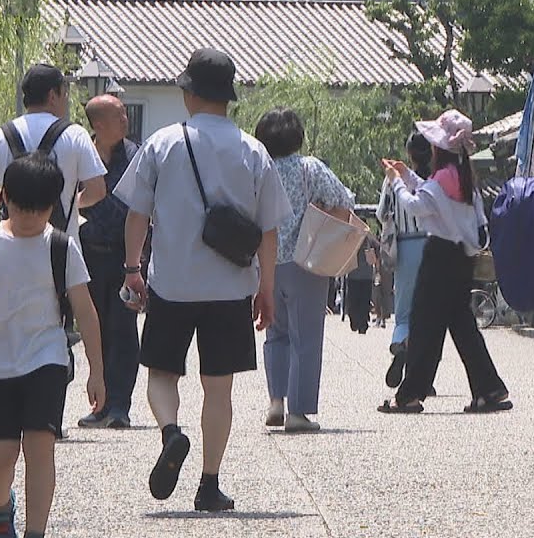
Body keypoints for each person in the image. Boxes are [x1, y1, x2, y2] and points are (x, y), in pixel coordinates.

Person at [116, 47, 292, 512]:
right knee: (219, 387)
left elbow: (137, 214)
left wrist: (133, 268)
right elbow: (269, 230)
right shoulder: (253, 151)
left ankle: (172, 433)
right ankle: (209, 484)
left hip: (171, 282)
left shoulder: (161, 143)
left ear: (189, 93)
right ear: (229, 98)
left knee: (161, 373)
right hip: (231, 286)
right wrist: (267, 290)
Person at [0, 154, 106, 538]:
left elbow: (85, 309)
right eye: (20, 207)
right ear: (5, 199)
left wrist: (96, 371)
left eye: (39, 209)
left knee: (40, 446)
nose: (30, 217)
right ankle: (2, 506)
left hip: (45, 358)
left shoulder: (61, 246)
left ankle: (35, 532)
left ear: (54, 206)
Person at [378, 109, 509, 415]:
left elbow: (416, 206)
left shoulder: (441, 178)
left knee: (425, 324)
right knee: (462, 326)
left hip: (438, 256)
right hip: (461, 259)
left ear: (439, 148)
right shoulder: (464, 178)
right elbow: (433, 198)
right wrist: (407, 175)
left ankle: (410, 393)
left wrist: (397, 181)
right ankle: (490, 389)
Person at [256, 107, 354, 433]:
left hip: (266, 262)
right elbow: (343, 202)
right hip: (305, 261)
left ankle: (276, 402)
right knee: (306, 338)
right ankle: (298, 412)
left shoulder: (258, 168)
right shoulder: (309, 168)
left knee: (276, 334)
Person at [0, 63, 107, 239]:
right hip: (59, 251)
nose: (66, 102)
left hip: (8, 250)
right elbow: (97, 190)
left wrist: (8, 200)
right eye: (65, 95)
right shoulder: (75, 135)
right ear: (52, 96)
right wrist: (70, 200)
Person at [76, 94, 142, 429]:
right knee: (94, 330)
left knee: (123, 328)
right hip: (85, 255)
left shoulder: (135, 156)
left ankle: (120, 405)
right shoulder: (80, 154)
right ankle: (99, 404)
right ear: (98, 124)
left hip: (122, 255)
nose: (125, 120)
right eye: (118, 116)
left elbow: (142, 207)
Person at [379, 131, 432, 388]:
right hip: (432, 246)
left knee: (403, 313)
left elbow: (381, 213)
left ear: (409, 154)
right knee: (428, 311)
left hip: (405, 246)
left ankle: (400, 343)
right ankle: (422, 374)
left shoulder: (393, 180)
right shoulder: (434, 180)